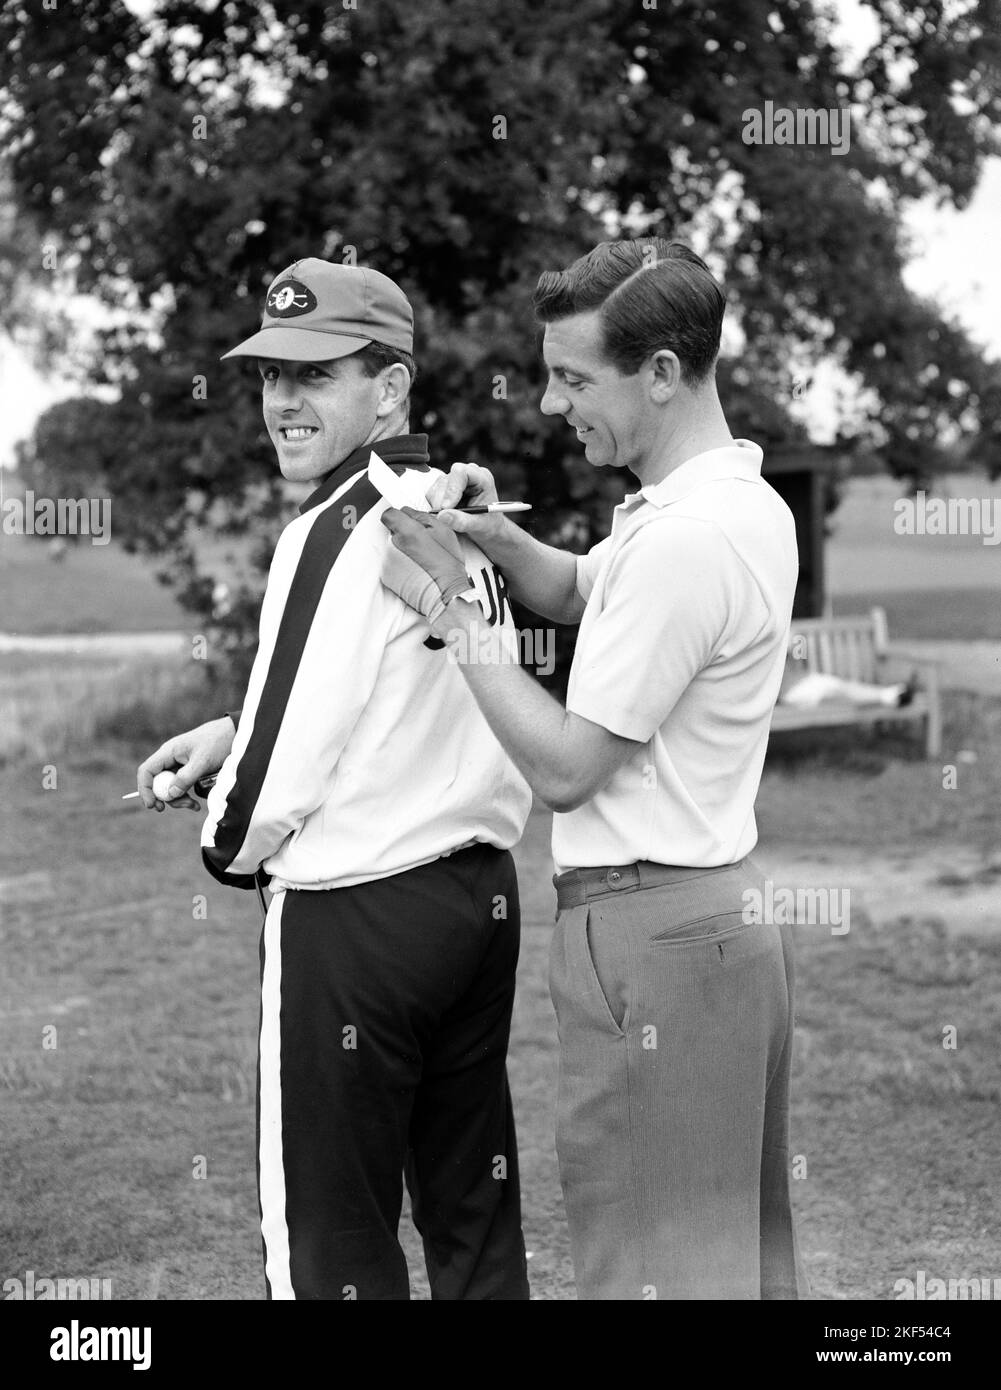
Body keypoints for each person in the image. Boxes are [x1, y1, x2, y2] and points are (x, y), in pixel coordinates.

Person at [381, 238, 807, 1300]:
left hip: (645, 936)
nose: (545, 402)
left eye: (573, 378)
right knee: (729, 1265)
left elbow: (568, 768)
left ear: (661, 372)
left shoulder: (682, 543)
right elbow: (583, 591)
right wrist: (491, 539)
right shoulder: (727, 504)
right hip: (711, 923)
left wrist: (456, 609)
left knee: (648, 1272)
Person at [137, 257, 533, 1301]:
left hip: (358, 921)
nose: (283, 399)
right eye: (270, 375)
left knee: (329, 1243)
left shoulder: (334, 526)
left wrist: (223, 842)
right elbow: (401, 701)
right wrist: (233, 729)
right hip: (478, 899)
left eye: (316, 375)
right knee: (473, 1222)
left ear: (389, 387)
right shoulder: (450, 509)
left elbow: (273, 788)